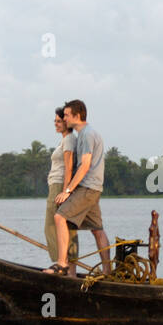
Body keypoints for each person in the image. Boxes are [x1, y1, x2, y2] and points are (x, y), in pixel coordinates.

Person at [46, 99, 111, 275]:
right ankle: (107, 271)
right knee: (97, 230)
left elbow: (85, 165)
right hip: (94, 188)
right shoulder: (86, 134)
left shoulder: (86, 134)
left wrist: (67, 191)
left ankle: (62, 263)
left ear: (77, 115)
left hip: (87, 187)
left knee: (60, 217)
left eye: (66, 115)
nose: (64, 118)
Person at [43, 107, 79, 268]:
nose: (56, 124)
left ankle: (62, 263)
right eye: (55, 121)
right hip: (56, 185)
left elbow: (69, 167)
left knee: (52, 225)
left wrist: (66, 191)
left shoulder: (69, 139)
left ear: (66, 123)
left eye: (59, 121)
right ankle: (66, 265)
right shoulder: (65, 140)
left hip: (59, 186)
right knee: (62, 226)